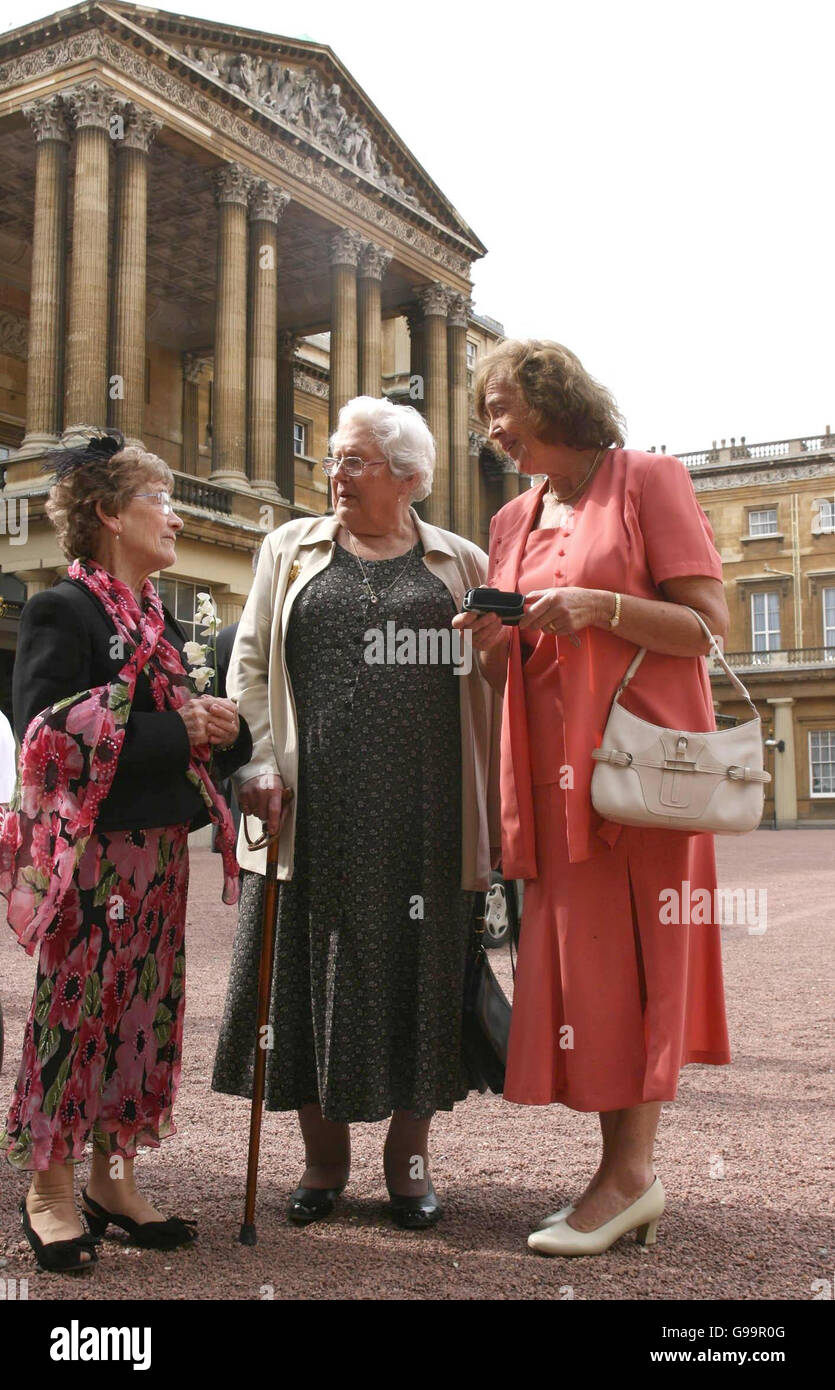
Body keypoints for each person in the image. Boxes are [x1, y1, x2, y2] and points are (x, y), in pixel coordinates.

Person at [454, 341, 731, 1257]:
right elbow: (505, 664)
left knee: (644, 966)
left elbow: (703, 626)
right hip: (549, 778)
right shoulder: (508, 519)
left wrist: (599, 607)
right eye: (485, 408)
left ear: (552, 399)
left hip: (642, 771)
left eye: (501, 403)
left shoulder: (648, 479)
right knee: (589, 977)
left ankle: (627, 1178)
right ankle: (619, 1179)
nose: (490, 424)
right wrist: (491, 635)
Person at [211, 396, 499, 1229]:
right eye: (334, 458)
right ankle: (322, 1165)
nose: (334, 473)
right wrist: (258, 761)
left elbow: (495, 684)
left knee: (425, 977)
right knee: (307, 977)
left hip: (427, 810)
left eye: (356, 460)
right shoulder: (287, 549)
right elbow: (251, 663)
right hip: (313, 806)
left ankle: (408, 1168)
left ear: (408, 477)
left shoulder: (461, 561)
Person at [0, 429, 252, 1272]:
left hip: (160, 854)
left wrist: (225, 730)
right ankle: (50, 1189)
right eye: (160, 499)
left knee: (143, 1016)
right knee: (75, 1014)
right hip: (93, 856)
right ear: (109, 513)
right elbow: (41, 738)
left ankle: (113, 1178)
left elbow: (182, 739)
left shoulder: (160, 619)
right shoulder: (60, 611)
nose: (175, 515)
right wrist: (168, 727)